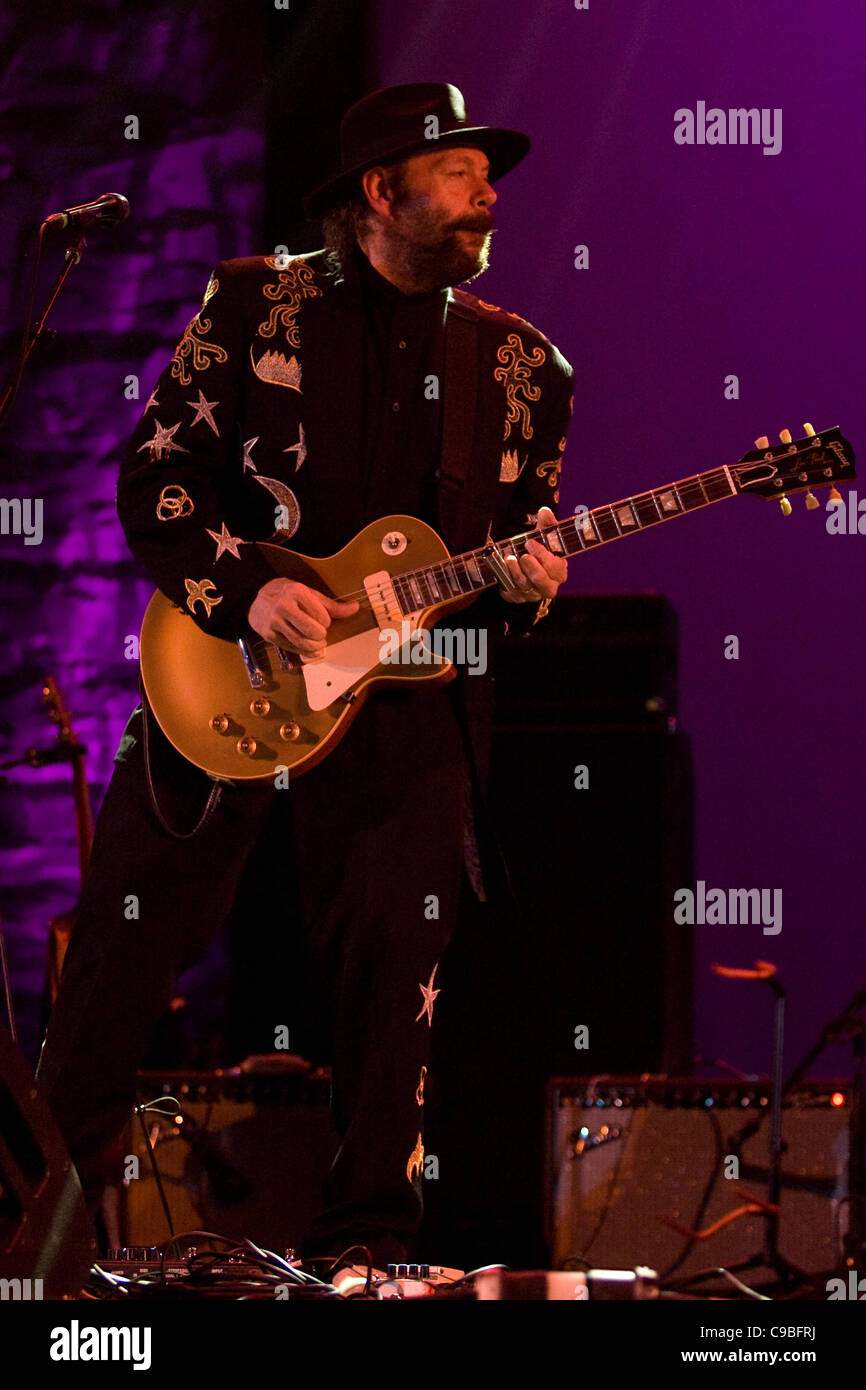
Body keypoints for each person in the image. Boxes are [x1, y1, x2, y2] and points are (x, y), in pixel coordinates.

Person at [36, 82, 573, 1276]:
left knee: (396, 972)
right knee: (121, 951)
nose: (489, 188)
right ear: (379, 192)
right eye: (458, 169)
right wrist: (247, 592)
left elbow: (510, 561)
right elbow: (159, 476)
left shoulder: (525, 367)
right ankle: (33, 1238)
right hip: (222, 670)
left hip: (408, 702)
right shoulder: (253, 303)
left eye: (490, 171)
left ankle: (369, 1244)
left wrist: (528, 586)